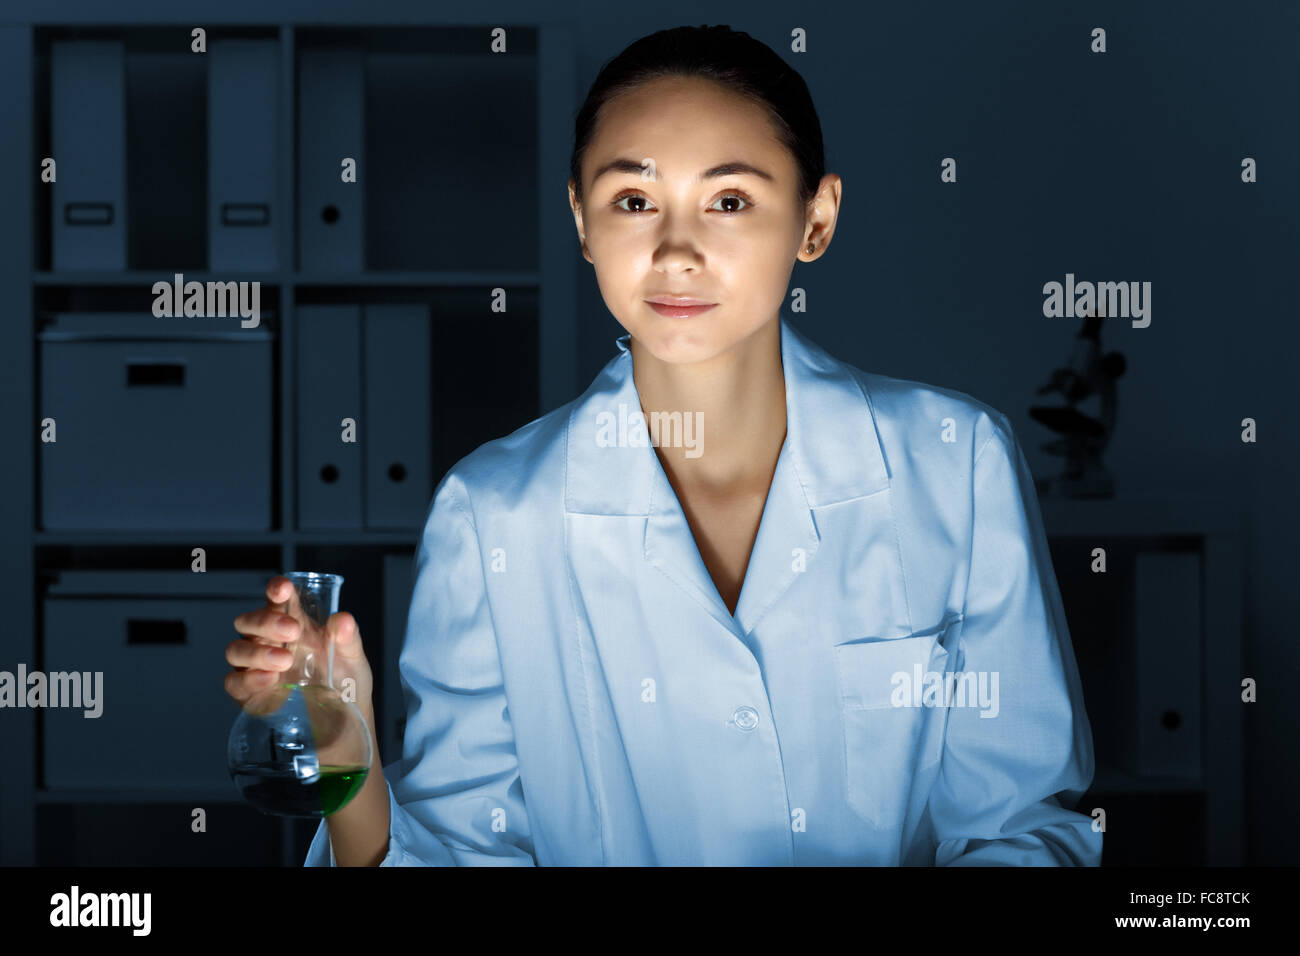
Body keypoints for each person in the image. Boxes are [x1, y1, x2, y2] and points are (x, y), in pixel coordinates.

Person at [226, 24, 1101, 866]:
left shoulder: (956, 465)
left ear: (816, 219)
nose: (676, 251)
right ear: (580, 219)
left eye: (729, 200)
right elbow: (465, 851)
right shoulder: (492, 513)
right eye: (634, 201)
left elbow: (1020, 827)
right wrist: (349, 760)